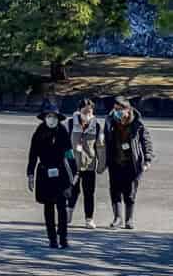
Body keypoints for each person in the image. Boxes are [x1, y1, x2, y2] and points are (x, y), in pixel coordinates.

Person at [27, 100, 76, 250]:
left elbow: (69, 153)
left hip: (61, 172)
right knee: (48, 207)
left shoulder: (62, 131)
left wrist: (73, 175)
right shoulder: (39, 132)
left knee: (61, 207)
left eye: (54, 116)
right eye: (48, 116)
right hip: (44, 172)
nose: (51, 118)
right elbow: (33, 155)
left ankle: (63, 237)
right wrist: (30, 174)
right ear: (44, 117)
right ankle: (52, 238)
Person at [104, 96, 153, 229]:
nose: (117, 112)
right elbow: (105, 142)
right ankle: (117, 218)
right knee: (115, 191)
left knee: (130, 192)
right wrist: (104, 161)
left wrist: (147, 159)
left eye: (120, 109)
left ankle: (129, 219)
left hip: (132, 162)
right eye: (115, 109)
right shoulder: (109, 121)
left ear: (128, 109)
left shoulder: (137, 123)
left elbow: (146, 142)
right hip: (115, 162)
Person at [67, 98, 104, 229]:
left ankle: (89, 219)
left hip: (89, 165)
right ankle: (68, 212)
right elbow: (64, 144)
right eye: (85, 111)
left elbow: (100, 146)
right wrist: (66, 159)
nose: (87, 114)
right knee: (72, 191)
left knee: (89, 193)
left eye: (90, 111)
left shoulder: (97, 125)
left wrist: (101, 164)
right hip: (73, 165)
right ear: (79, 111)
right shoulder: (70, 123)